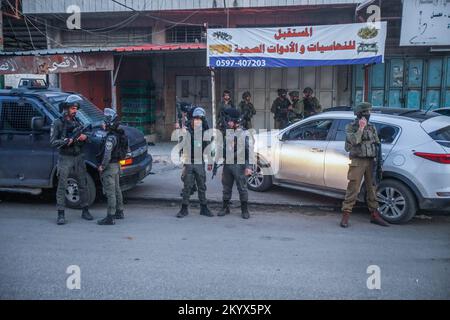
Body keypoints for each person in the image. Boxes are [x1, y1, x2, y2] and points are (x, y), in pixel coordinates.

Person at [340, 102, 389, 228]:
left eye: (369, 112)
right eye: (366, 112)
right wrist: (361, 128)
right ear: (359, 113)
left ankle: (374, 215)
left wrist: (379, 162)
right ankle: (346, 215)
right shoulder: (351, 127)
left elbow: (377, 143)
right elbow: (354, 141)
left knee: (372, 189)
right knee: (353, 189)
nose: (368, 114)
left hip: (371, 161)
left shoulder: (372, 127)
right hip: (358, 161)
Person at [50, 95, 93, 225]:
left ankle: (85, 210)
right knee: (62, 185)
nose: (75, 111)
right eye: (73, 108)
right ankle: (61, 214)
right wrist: (66, 141)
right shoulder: (57, 123)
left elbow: (87, 137)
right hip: (65, 157)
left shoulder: (77, 122)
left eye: (76, 108)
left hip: (78, 157)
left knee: (83, 184)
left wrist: (84, 137)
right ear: (66, 108)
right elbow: (52, 142)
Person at [216, 108, 253, 219]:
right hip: (228, 164)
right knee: (226, 187)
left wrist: (249, 167)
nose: (228, 123)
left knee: (242, 188)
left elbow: (249, 151)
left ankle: (244, 209)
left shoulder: (243, 133)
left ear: (236, 121)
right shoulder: (227, 132)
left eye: (230, 121)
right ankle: (225, 207)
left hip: (239, 165)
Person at [177, 107, 214, 218]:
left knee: (202, 186)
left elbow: (209, 148)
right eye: (196, 119)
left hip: (199, 162)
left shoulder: (204, 133)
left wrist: (210, 161)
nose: (198, 121)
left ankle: (204, 208)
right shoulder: (186, 131)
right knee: (187, 186)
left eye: (200, 119)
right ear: (192, 119)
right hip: (189, 162)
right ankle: (184, 209)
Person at [97, 108, 126, 226]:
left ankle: (110, 217)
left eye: (105, 121)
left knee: (110, 192)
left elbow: (107, 154)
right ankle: (120, 212)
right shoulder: (119, 134)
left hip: (110, 167)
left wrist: (102, 166)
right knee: (117, 190)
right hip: (117, 166)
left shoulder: (110, 137)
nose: (102, 123)